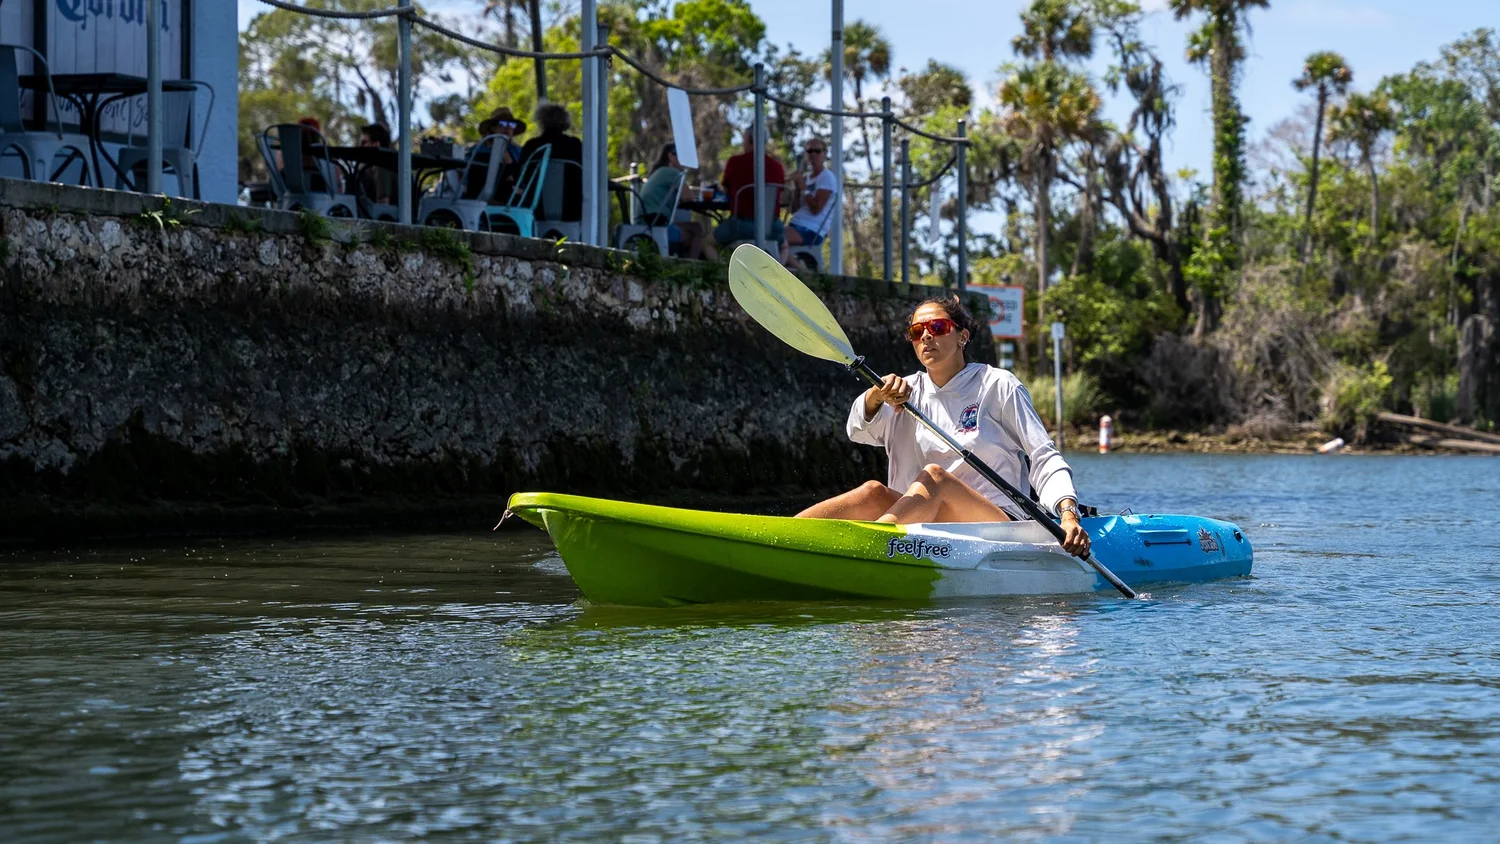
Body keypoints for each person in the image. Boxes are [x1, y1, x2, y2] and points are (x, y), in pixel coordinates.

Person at [795, 295, 1091, 557]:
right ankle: (784, 537)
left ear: (962, 336)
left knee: (936, 477)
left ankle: (869, 549)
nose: (926, 336)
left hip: (999, 527)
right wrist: (876, 395)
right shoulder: (900, 391)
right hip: (920, 527)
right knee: (872, 491)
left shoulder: (998, 385)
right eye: (917, 331)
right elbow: (857, 431)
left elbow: (1043, 455)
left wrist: (1068, 514)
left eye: (937, 327)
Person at [640, 143, 717, 260]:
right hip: (653, 223)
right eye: (681, 156)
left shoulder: (660, 171)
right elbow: (688, 197)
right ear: (670, 156)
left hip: (648, 220)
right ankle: (692, 263)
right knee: (697, 229)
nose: (684, 161)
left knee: (693, 233)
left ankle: (693, 263)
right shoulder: (672, 172)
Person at [714, 129, 785, 248]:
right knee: (784, 245)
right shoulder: (777, 167)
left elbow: (726, 190)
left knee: (707, 242)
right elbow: (779, 195)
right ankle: (780, 259)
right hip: (772, 228)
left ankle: (716, 261)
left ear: (748, 139)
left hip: (742, 227)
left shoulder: (735, 162)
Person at [520, 103, 584, 221]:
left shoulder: (531, 146)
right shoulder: (575, 145)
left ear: (541, 121)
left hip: (535, 210)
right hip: (572, 210)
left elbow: (520, 177)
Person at [781, 137, 839, 265]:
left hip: (811, 230)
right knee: (769, 234)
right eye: (809, 151)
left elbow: (816, 209)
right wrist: (797, 188)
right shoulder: (806, 177)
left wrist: (804, 188)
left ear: (824, 154)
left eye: (817, 151)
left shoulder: (827, 177)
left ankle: (796, 270)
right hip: (795, 225)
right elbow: (793, 209)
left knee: (774, 236)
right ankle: (799, 269)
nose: (813, 154)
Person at [466, 106, 527, 200]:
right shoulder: (479, 149)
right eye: (502, 123)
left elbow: (525, 177)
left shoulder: (518, 151)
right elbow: (466, 174)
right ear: (493, 128)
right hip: (481, 196)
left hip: (514, 197)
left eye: (511, 124)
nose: (507, 127)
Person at [357, 123, 397, 206]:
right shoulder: (368, 167)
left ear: (376, 144)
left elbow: (383, 206)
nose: (360, 146)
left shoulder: (382, 166)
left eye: (364, 142)